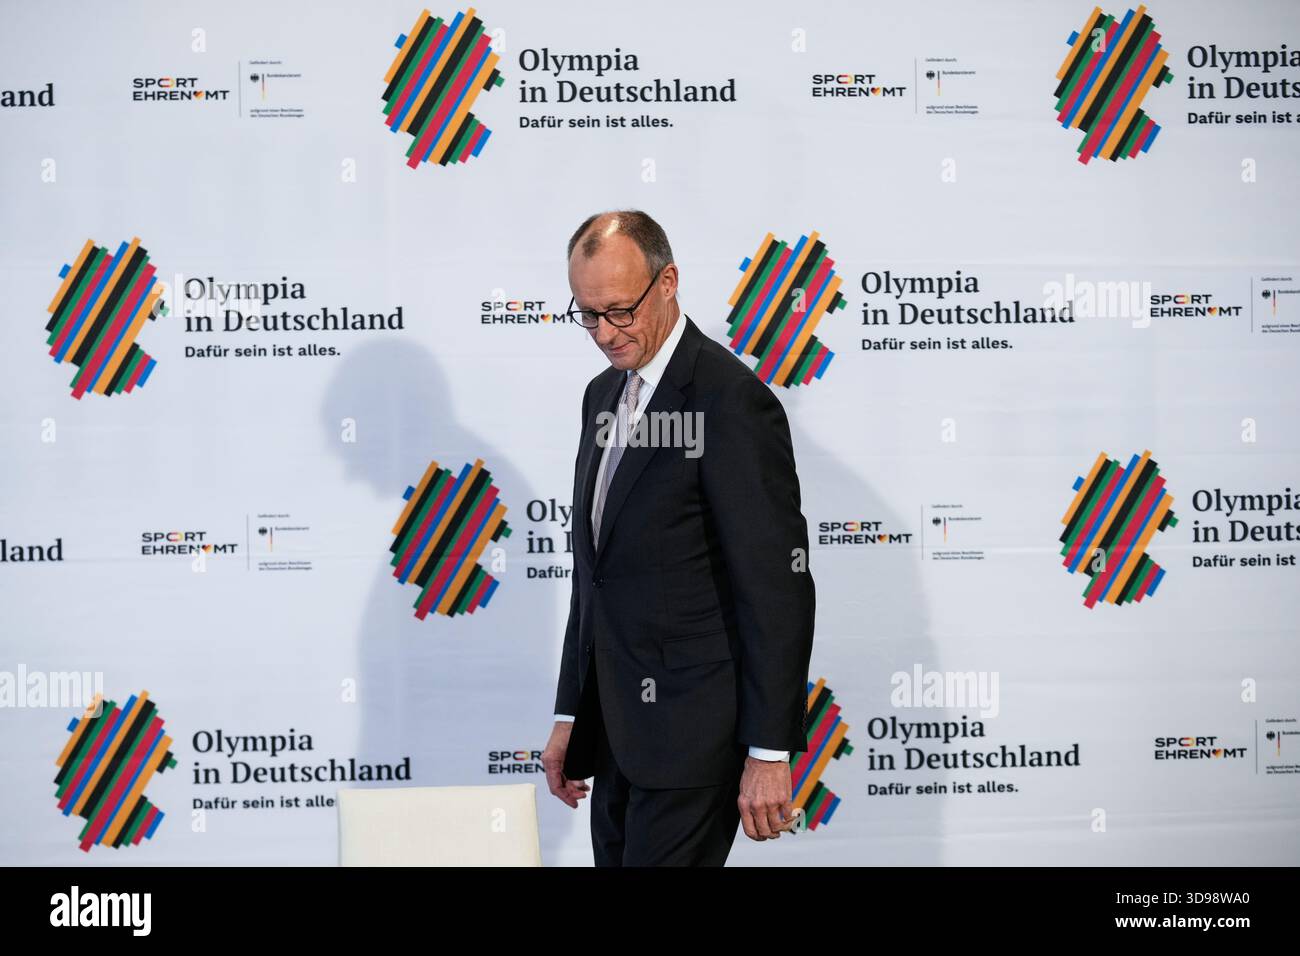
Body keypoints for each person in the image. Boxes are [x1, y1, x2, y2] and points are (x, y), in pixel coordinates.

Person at [542, 209, 816, 866]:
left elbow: (776, 586)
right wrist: (570, 714)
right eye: (587, 314)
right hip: (613, 737)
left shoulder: (727, 400)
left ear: (668, 283)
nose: (605, 333)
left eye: (620, 311)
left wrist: (770, 752)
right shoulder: (601, 396)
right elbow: (597, 578)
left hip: (694, 741)